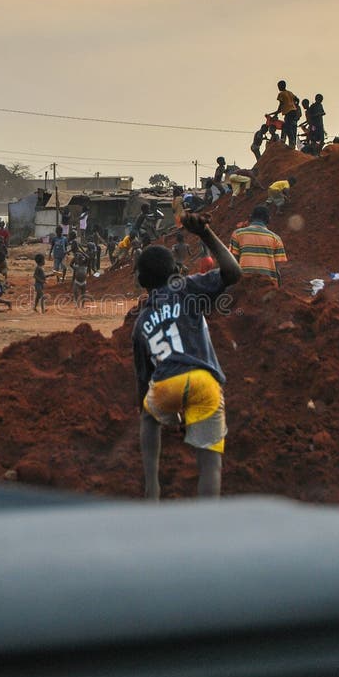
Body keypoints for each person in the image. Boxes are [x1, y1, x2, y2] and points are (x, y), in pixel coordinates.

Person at [132, 211, 241, 500]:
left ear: (141, 281)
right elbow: (234, 273)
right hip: (204, 382)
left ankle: (152, 488)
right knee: (210, 465)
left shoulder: (140, 322)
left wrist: (159, 408)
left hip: (166, 384)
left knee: (148, 417)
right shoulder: (187, 288)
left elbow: (143, 383)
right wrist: (205, 234)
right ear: (176, 273)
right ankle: (208, 522)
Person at [230, 205, 287, 286]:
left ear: (251, 217)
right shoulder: (276, 238)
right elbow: (276, 268)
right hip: (268, 285)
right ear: (268, 219)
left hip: (243, 283)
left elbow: (233, 261)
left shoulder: (238, 233)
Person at [269, 80, 299, 149]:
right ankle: (292, 142)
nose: (278, 88)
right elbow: (297, 99)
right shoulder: (290, 93)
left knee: (288, 127)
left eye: (279, 86)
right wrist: (295, 105)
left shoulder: (281, 94)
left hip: (288, 112)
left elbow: (281, 104)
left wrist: (276, 114)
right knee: (291, 126)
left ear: (282, 86)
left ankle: (292, 143)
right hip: (293, 111)